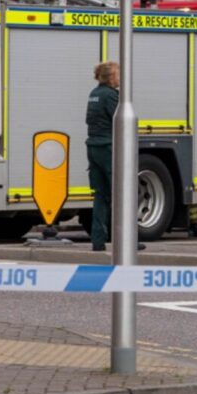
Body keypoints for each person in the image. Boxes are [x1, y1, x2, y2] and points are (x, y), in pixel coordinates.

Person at [85, 61, 120, 252]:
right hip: (108, 148)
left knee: (100, 196)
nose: (120, 77)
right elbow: (119, 119)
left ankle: (98, 241)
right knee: (122, 194)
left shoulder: (94, 94)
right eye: (118, 74)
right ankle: (127, 241)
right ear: (111, 77)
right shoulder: (110, 95)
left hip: (93, 148)